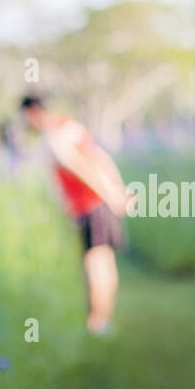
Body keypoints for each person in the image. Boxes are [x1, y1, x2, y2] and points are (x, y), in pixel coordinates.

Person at [20, 94, 132, 334]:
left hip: (90, 205)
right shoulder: (67, 126)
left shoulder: (53, 135)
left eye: (24, 119)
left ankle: (97, 324)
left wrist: (111, 194)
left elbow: (78, 165)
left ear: (32, 113)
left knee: (95, 262)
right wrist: (116, 189)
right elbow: (102, 158)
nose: (24, 125)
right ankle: (103, 321)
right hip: (97, 202)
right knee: (104, 261)